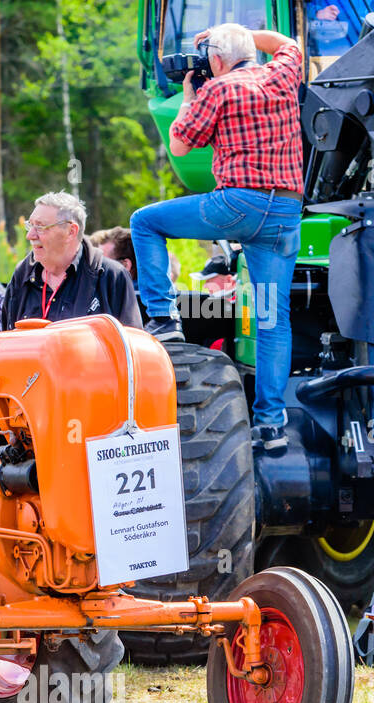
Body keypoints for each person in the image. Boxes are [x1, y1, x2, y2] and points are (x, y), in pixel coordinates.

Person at [129, 25, 303, 451]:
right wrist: (245, 33)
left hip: (237, 209)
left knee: (145, 222)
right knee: (271, 320)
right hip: (282, 216)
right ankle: (270, 426)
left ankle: (163, 319)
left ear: (217, 62)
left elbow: (181, 144)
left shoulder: (217, 91)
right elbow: (288, 45)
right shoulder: (281, 74)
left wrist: (189, 96)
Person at [2, 192, 142, 329]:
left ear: (71, 231)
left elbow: (130, 344)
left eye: (40, 226)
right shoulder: (21, 278)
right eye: (30, 225)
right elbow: (7, 341)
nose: (30, 235)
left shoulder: (111, 276)